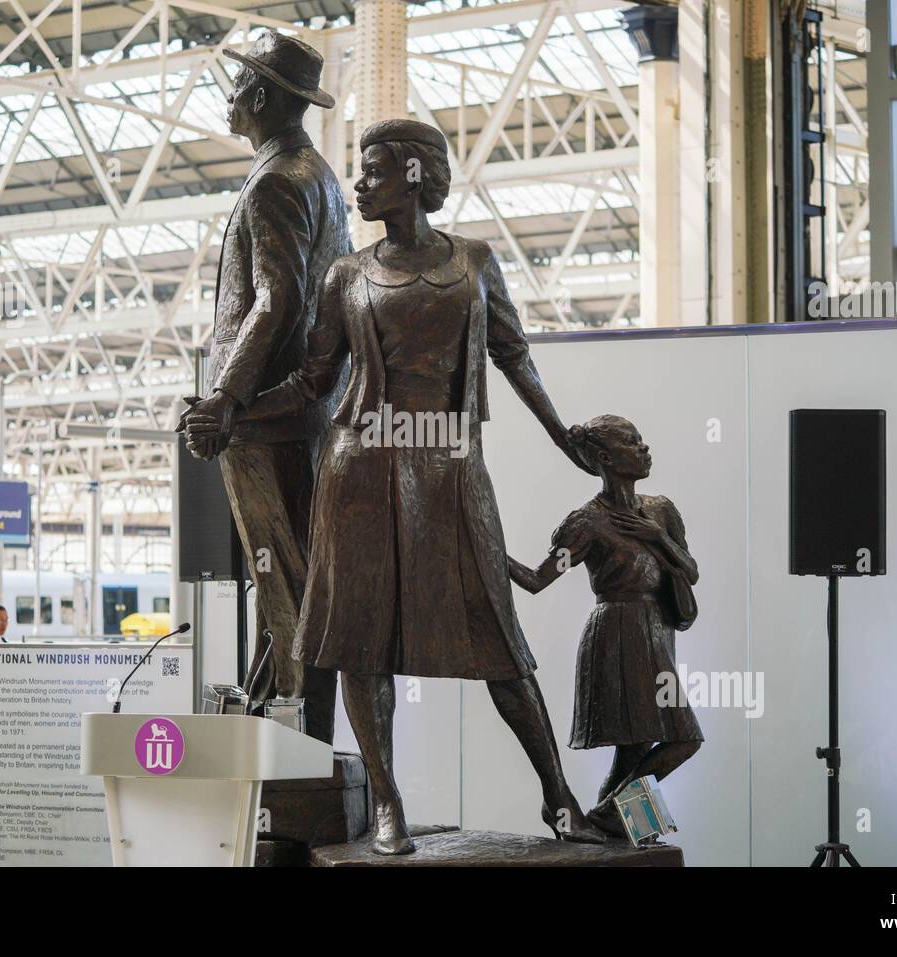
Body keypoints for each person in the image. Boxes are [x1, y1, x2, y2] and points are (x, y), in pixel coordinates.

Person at [188, 118, 604, 854]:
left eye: (374, 168)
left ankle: (560, 797)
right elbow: (315, 383)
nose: (359, 182)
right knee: (360, 641)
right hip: (359, 472)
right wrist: (231, 407)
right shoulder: (344, 274)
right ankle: (387, 803)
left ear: (416, 174)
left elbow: (515, 357)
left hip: (450, 470)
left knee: (501, 642)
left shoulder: (475, 262)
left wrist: (563, 435)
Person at [176, 32, 351, 744]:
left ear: (260, 97)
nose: (227, 97)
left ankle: (297, 751)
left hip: (266, 419)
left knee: (282, 584)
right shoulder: (317, 176)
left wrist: (227, 398)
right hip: (300, 415)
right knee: (292, 581)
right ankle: (283, 729)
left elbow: (274, 299)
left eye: (237, 85)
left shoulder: (278, 179)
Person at [509, 416, 702, 838]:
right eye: (632, 442)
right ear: (604, 458)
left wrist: (658, 537)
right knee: (683, 738)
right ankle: (607, 817)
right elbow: (539, 579)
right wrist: (487, 549)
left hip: (657, 629)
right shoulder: (587, 523)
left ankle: (626, 831)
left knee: (634, 749)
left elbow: (690, 570)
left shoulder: (661, 510)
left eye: (641, 439)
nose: (644, 448)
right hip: (617, 634)